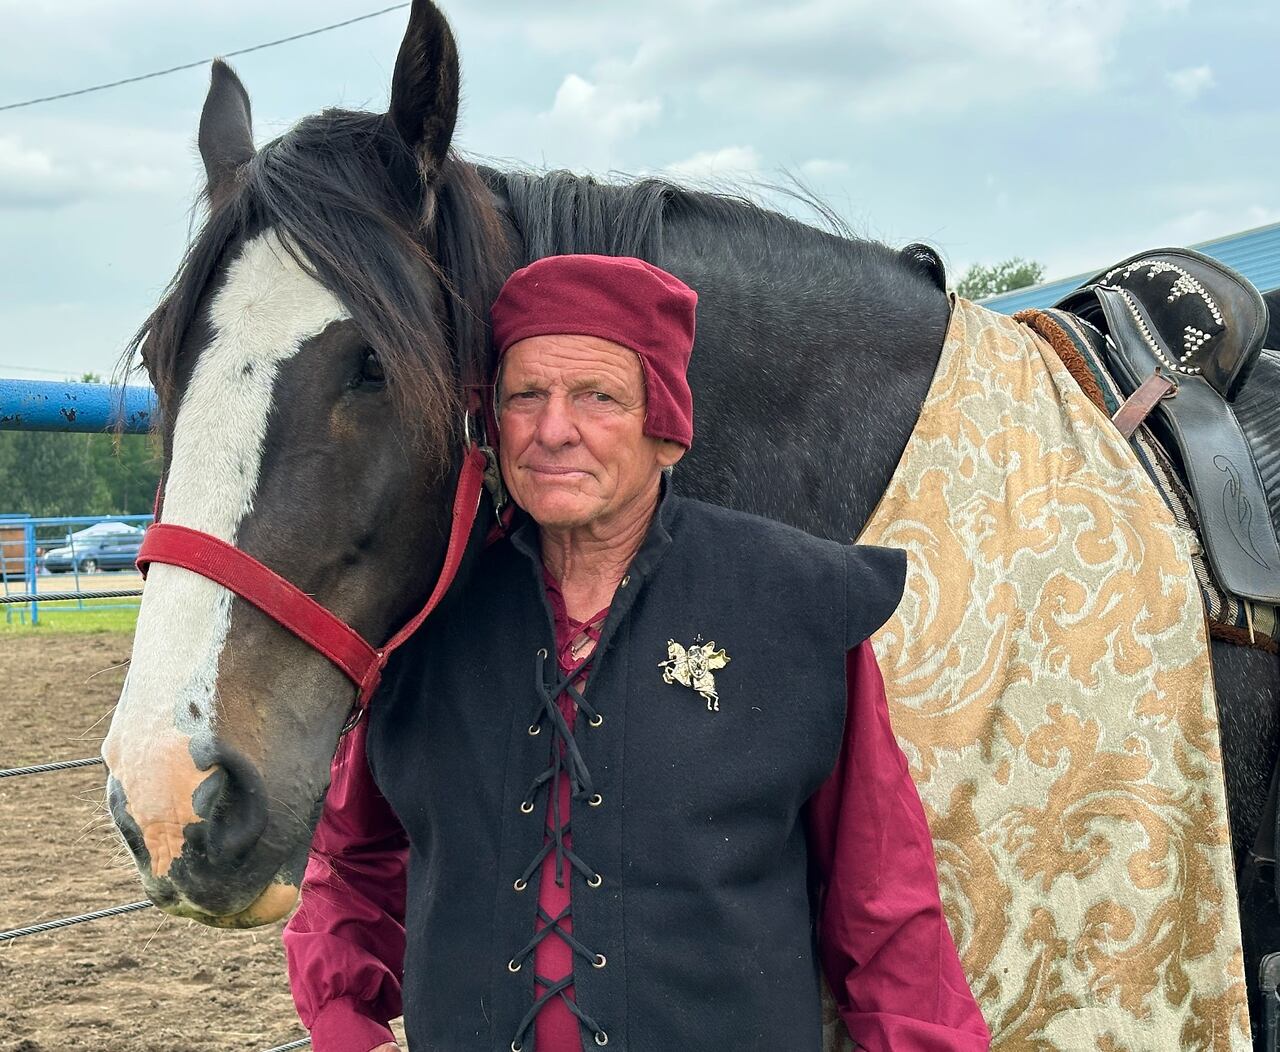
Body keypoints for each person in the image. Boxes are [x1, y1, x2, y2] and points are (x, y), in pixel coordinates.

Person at [284, 254, 990, 1052]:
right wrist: (346, 1024)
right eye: (526, 396)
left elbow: (884, 899)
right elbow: (351, 863)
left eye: (598, 397)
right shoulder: (426, 612)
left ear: (666, 429)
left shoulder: (788, 604)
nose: (554, 429)